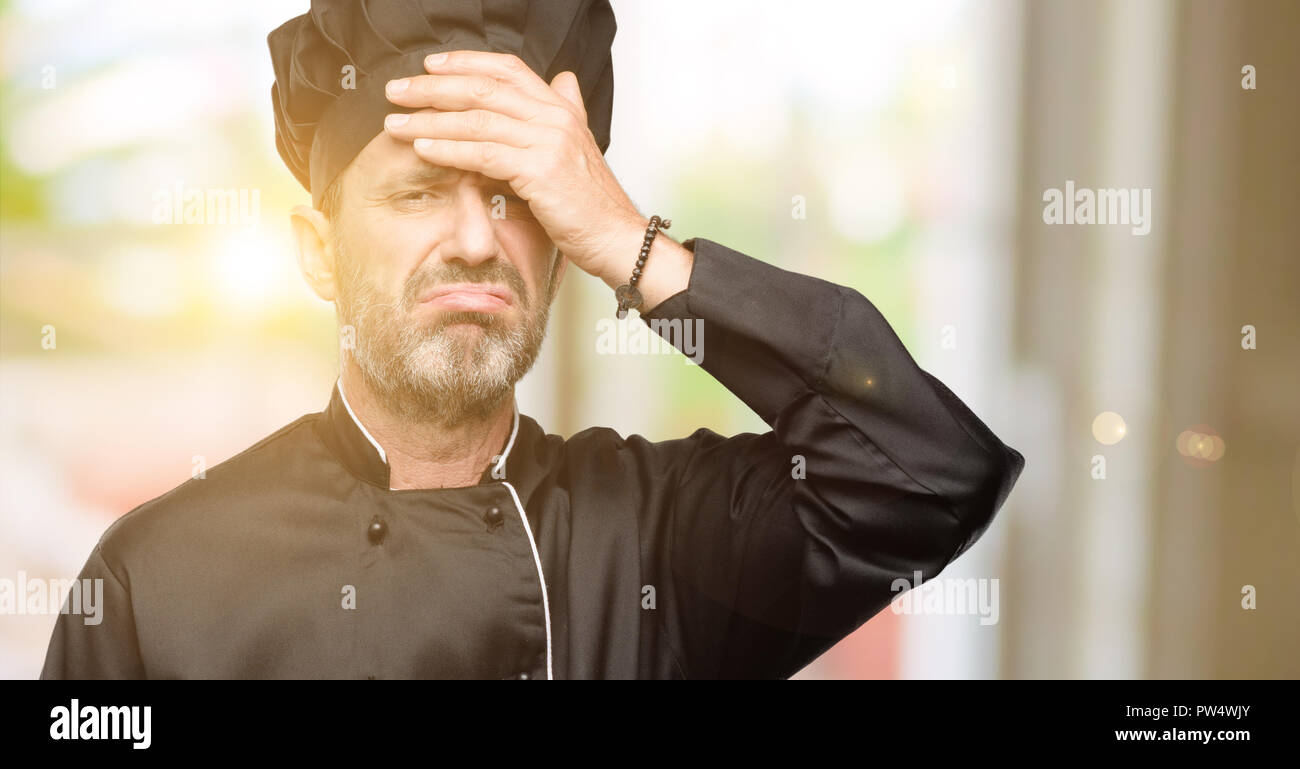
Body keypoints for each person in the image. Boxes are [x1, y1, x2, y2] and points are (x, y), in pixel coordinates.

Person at [41, 0, 1024, 679]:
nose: (474, 239)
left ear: (561, 249)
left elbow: (928, 475)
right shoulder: (157, 574)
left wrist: (635, 248)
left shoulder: (657, 542)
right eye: (421, 190)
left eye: (516, 197)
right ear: (319, 253)